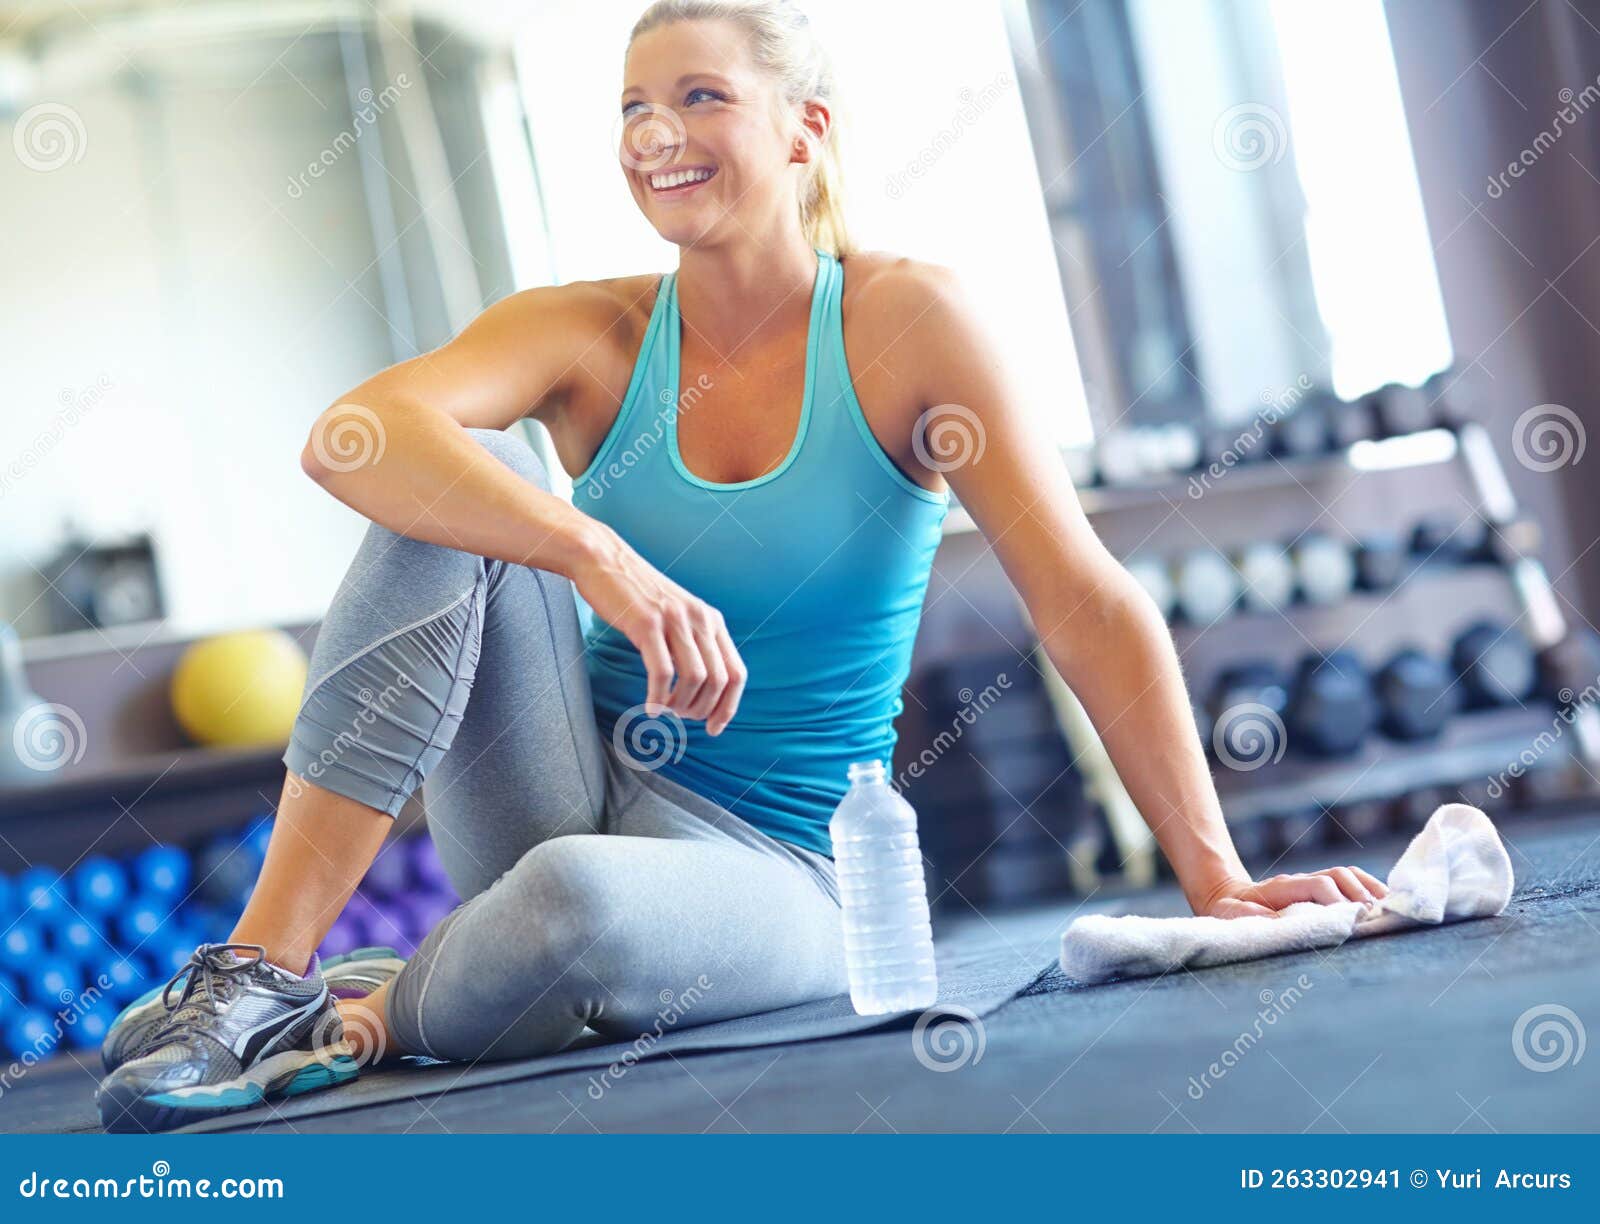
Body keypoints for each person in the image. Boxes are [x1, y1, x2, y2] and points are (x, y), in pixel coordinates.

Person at [95, 0, 1386, 1133]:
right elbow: (352, 437)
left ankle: (371, 1012)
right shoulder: (590, 332)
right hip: (559, 789)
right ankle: (264, 972)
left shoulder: (905, 326)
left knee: (577, 904)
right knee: (447, 495)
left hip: (777, 871)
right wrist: (595, 551)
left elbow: (1083, 597)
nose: (656, 133)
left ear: (804, 129)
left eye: (701, 96)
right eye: (633, 107)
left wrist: (1215, 873)